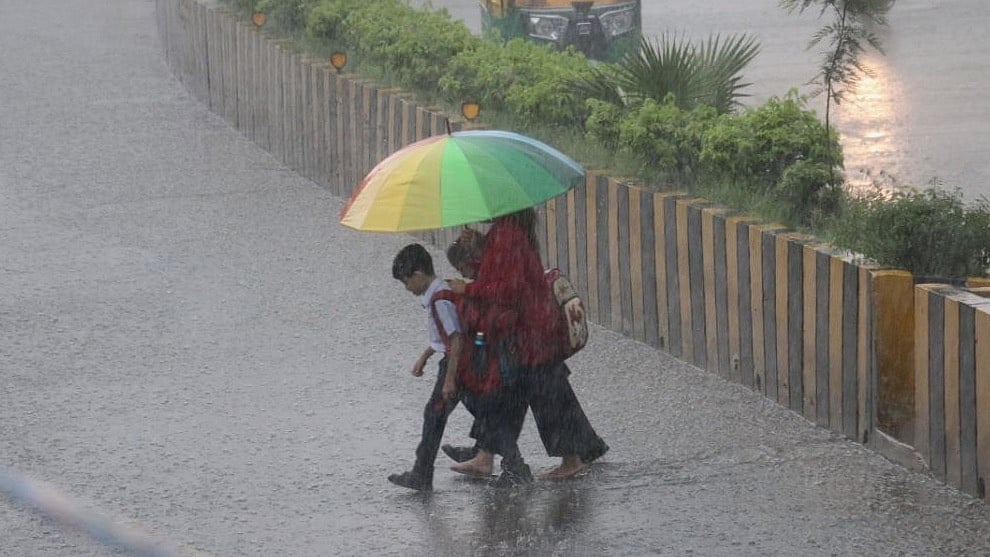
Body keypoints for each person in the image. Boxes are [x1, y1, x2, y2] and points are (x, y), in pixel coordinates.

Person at [447, 209, 609, 480]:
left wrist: (468, 289)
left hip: (530, 332)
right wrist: (479, 246)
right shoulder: (507, 232)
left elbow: (508, 289)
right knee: (530, 391)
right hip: (532, 328)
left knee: (539, 395)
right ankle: (583, 448)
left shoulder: (507, 236)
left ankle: (569, 458)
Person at [386, 243, 473, 491]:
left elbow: (455, 338)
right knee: (483, 409)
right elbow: (442, 336)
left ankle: (422, 473)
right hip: (464, 362)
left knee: (434, 415)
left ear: (418, 275)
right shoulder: (439, 292)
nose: (407, 289)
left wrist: (450, 378)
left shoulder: (439, 299)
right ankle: (500, 457)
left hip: (457, 364)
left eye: (406, 282)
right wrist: (424, 357)